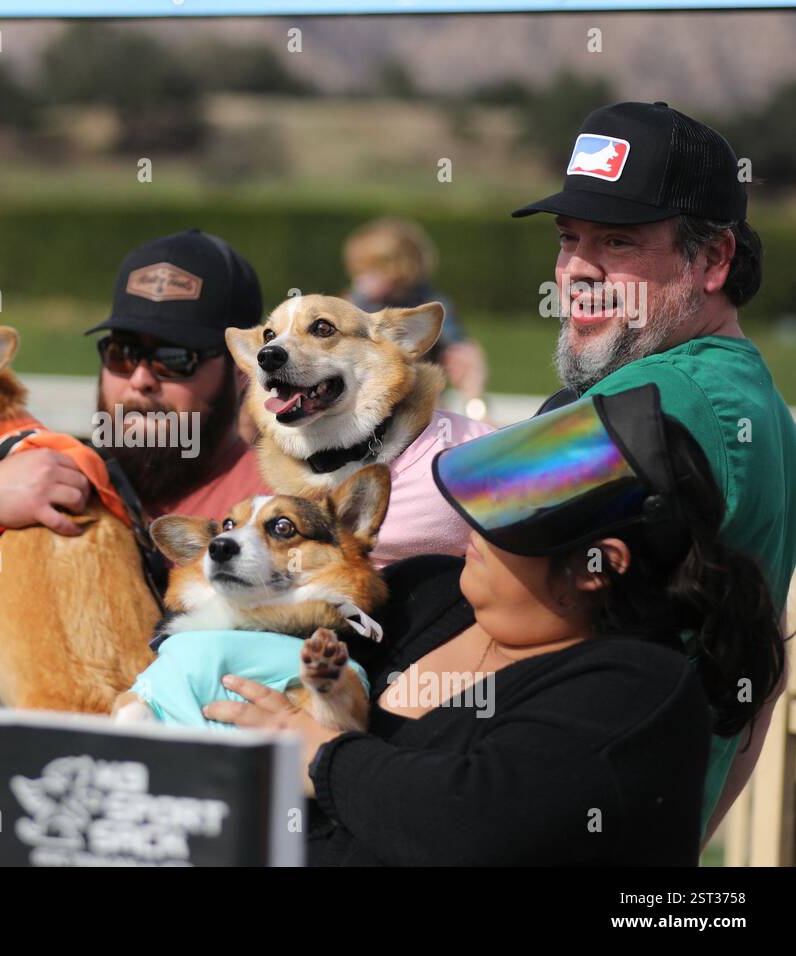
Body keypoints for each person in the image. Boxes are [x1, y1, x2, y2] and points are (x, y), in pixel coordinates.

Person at [205, 387, 786, 865]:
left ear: (596, 569)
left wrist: (321, 756)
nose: (469, 526)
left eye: (507, 521)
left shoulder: (637, 687)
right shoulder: (423, 591)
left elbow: (471, 823)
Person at [511, 101, 796, 839]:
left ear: (713, 259)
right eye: (568, 238)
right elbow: (763, 681)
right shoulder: (757, 398)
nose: (576, 270)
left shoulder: (659, 398)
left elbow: (472, 522)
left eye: (617, 241)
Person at [0, 228, 270, 671]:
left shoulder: (281, 506)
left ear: (244, 371)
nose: (141, 379)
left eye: (174, 357)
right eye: (122, 353)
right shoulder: (45, 480)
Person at [343, 218, 489, 417]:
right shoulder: (355, 303)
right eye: (359, 272)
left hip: (424, 400)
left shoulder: (432, 304)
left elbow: (456, 348)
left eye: (371, 272)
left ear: (400, 270)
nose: (360, 281)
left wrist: (470, 384)